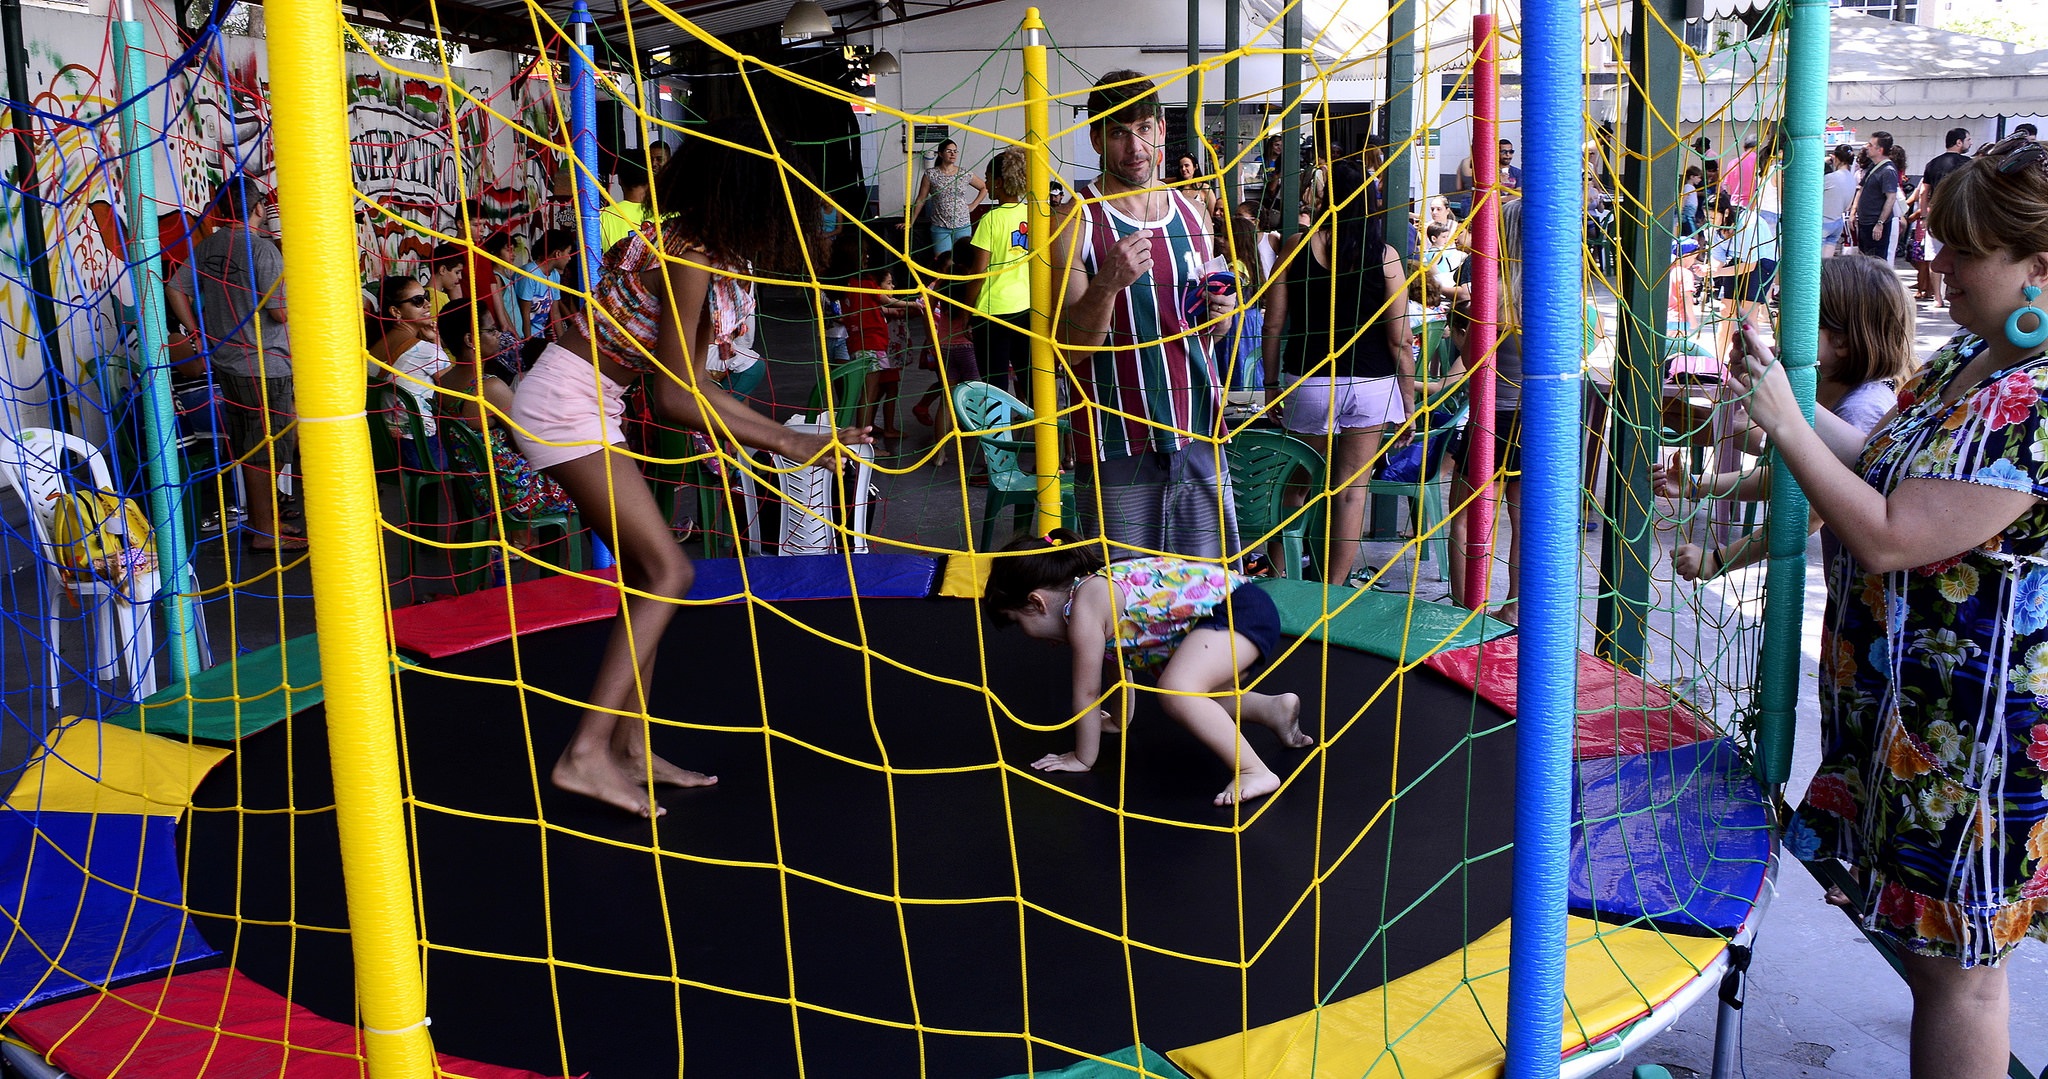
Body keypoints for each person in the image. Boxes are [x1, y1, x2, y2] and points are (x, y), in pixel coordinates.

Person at [1730, 137, 2048, 1079]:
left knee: (1962, 978)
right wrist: (1776, 394)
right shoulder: (1974, 366)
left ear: (2039, 266)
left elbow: (1893, 532)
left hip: (1973, 741)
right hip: (1915, 720)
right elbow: (1876, 458)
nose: (1935, 263)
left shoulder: (2032, 395)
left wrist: (1787, 423)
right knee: (1938, 960)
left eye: (1962, 249)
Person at [510, 117, 870, 816]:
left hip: (588, 401)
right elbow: (674, 396)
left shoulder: (697, 248)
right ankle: (586, 752)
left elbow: (688, 385)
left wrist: (785, 436)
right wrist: (788, 442)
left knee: (650, 574)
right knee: (670, 571)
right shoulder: (692, 259)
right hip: (564, 405)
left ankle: (631, 746)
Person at [1051, 70, 1239, 561]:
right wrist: (1108, 284)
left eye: (1143, 129)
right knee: (1124, 596)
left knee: (1206, 587)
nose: (1134, 146)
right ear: (1095, 138)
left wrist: (1220, 315)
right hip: (1116, 435)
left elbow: (1205, 331)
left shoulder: (1194, 214)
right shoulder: (1076, 221)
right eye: (1117, 132)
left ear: (1160, 129)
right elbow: (1069, 349)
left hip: (1198, 425)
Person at [983, 529, 1311, 806]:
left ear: (1037, 602)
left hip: (1236, 609)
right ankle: (1272, 709)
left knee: (1176, 690)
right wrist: (1119, 719)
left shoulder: (1085, 605)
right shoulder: (1092, 599)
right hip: (1227, 613)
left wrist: (1083, 758)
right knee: (1193, 697)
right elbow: (1117, 667)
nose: (1026, 636)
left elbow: (1086, 693)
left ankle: (1254, 771)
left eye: (1017, 622)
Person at [1660, 251, 1915, 579]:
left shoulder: (1860, 409)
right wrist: (1698, 485)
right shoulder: (1836, 394)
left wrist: (1719, 560)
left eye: (1794, 317)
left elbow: (1808, 515)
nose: (1778, 327)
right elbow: (1795, 478)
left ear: (1840, 341)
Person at [1260, 161, 1413, 586]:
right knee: (1350, 492)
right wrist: (1409, 403)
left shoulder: (1296, 245)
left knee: (1295, 484)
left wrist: (1271, 386)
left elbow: (1272, 325)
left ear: (1327, 199)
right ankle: (1335, 592)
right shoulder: (1386, 256)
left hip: (1308, 382)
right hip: (1371, 386)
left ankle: (1280, 577)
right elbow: (1400, 340)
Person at [165, 180, 302, 552]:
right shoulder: (263, 251)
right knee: (265, 449)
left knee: (252, 444)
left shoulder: (209, 245)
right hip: (264, 363)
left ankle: (266, 522)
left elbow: (174, 288)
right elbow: (280, 312)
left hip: (228, 361)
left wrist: (198, 333)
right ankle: (264, 531)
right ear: (259, 209)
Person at [1445, 197, 1528, 619]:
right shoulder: (1552, 296)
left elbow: (1467, 366)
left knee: (1462, 516)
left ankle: (1465, 610)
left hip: (1491, 417)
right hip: (1534, 420)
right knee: (1522, 522)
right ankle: (1513, 609)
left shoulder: (1490, 298)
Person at [437, 302, 577, 536]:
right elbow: (527, 441)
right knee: (593, 484)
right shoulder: (489, 387)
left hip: (479, 492)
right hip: (513, 494)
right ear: (471, 340)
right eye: (491, 330)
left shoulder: (442, 385)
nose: (499, 335)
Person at [961, 147, 1032, 394]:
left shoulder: (991, 219)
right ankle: (1042, 430)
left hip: (993, 314)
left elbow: (978, 273)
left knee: (995, 385)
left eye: (989, 178)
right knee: (1030, 379)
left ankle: (999, 432)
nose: (987, 184)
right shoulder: (1030, 213)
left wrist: (966, 313)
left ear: (1000, 182)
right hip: (1026, 309)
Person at [366, 274, 454, 468]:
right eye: (417, 301)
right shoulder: (425, 351)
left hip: (383, 449)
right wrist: (435, 343)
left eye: (426, 298)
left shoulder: (373, 349)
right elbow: (455, 390)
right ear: (396, 311)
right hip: (421, 450)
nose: (427, 305)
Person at [1911, 127, 1974, 305]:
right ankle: (1958, 293)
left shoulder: (1932, 164)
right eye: (1968, 140)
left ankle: (1937, 298)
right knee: (1960, 254)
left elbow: (1924, 191)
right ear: (1959, 142)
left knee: (1934, 257)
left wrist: (1923, 216)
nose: (1970, 143)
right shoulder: (1967, 163)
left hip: (1935, 216)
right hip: (1959, 216)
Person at [908, 138, 986, 259]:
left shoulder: (964, 173)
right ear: (940, 154)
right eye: (949, 151)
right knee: (943, 262)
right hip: (940, 226)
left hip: (962, 225)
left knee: (962, 260)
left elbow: (984, 188)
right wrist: (910, 222)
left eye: (955, 151)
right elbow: (921, 199)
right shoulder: (931, 174)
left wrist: (973, 206)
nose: (953, 154)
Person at [513, 227, 577, 345]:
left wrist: (562, 345)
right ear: (557, 254)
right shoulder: (530, 274)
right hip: (523, 338)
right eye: (568, 253)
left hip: (540, 336)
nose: (569, 258)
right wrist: (529, 343)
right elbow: (525, 314)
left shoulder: (555, 276)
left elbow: (555, 313)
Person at [1855, 130, 1901, 259]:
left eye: (1870, 145)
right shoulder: (1873, 166)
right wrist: (1854, 211)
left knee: (1875, 262)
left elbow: (1891, 198)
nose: (1867, 147)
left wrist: (1880, 223)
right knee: (1865, 259)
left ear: (1880, 150)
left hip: (1874, 223)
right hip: (1865, 222)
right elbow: (1861, 188)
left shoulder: (1888, 170)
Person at [599, 160, 651, 253]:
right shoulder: (668, 215)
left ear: (619, 180)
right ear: (650, 179)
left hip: (616, 266)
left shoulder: (601, 216)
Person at [1822, 144, 1858, 254]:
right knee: (1827, 263)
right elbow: (1847, 207)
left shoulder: (1830, 178)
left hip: (1823, 221)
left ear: (1836, 158)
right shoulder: (1852, 180)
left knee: (1815, 262)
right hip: (1837, 222)